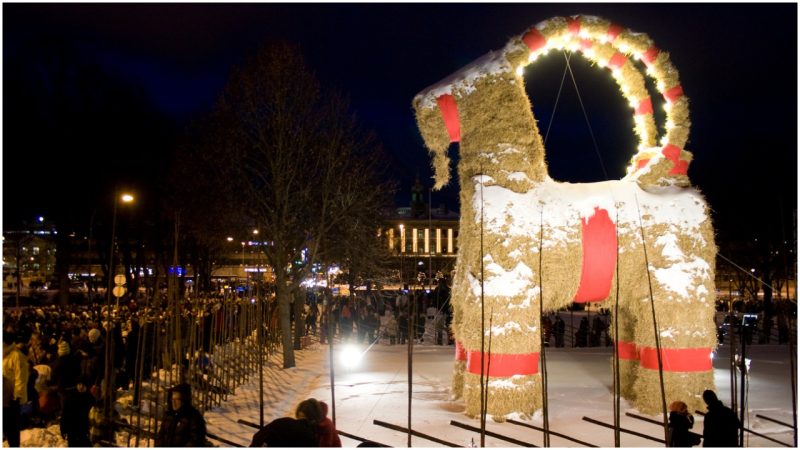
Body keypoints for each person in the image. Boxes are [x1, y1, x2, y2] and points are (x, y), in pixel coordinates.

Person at [250, 398, 322, 447]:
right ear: (314, 418)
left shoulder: (282, 422)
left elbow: (258, 437)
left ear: (299, 411)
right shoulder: (310, 438)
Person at [3, 331, 29, 447]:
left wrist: (17, 397)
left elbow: (21, 379)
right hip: (3, 398)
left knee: (12, 431)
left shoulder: (16, 356)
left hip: (12, 400)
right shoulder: (4, 355)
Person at [60, 377, 95, 447]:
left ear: (87, 386)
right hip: (72, 430)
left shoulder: (90, 399)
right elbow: (65, 414)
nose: (81, 387)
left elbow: (92, 416)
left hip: (84, 431)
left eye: (83, 385)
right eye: (79, 384)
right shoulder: (70, 398)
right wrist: (63, 429)